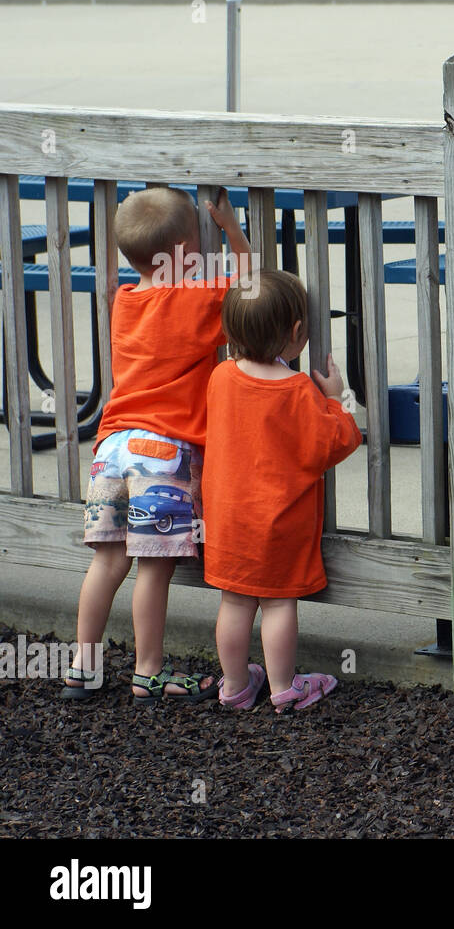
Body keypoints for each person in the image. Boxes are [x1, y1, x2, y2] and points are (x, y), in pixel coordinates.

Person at [65, 186, 249, 704]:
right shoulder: (195, 301)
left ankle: (83, 665)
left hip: (111, 448)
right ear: (189, 254)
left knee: (105, 561)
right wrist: (232, 231)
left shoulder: (124, 301)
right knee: (152, 566)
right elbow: (250, 288)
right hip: (161, 452)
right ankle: (148, 671)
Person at [202, 270, 361, 712]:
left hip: (228, 521)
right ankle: (284, 687)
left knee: (233, 600)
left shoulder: (221, 378)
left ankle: (233, 686)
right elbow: (332, 444)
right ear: (296, 333)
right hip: (277, 523)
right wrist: (336, 399)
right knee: (277, 603)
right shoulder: (297, 391)